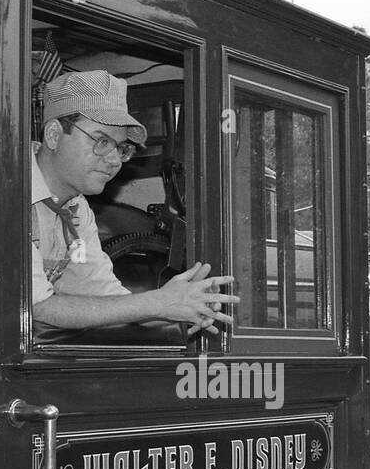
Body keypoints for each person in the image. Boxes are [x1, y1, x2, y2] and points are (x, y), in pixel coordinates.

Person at [30, 70, 237, 339]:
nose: (115, 160)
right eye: (102, 141)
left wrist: (187, 307)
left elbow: (100, 296)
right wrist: (159, 303)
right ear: (55, 135)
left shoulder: (77, 210)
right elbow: (34, 308)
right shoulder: (8, 193)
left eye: (121, 148)